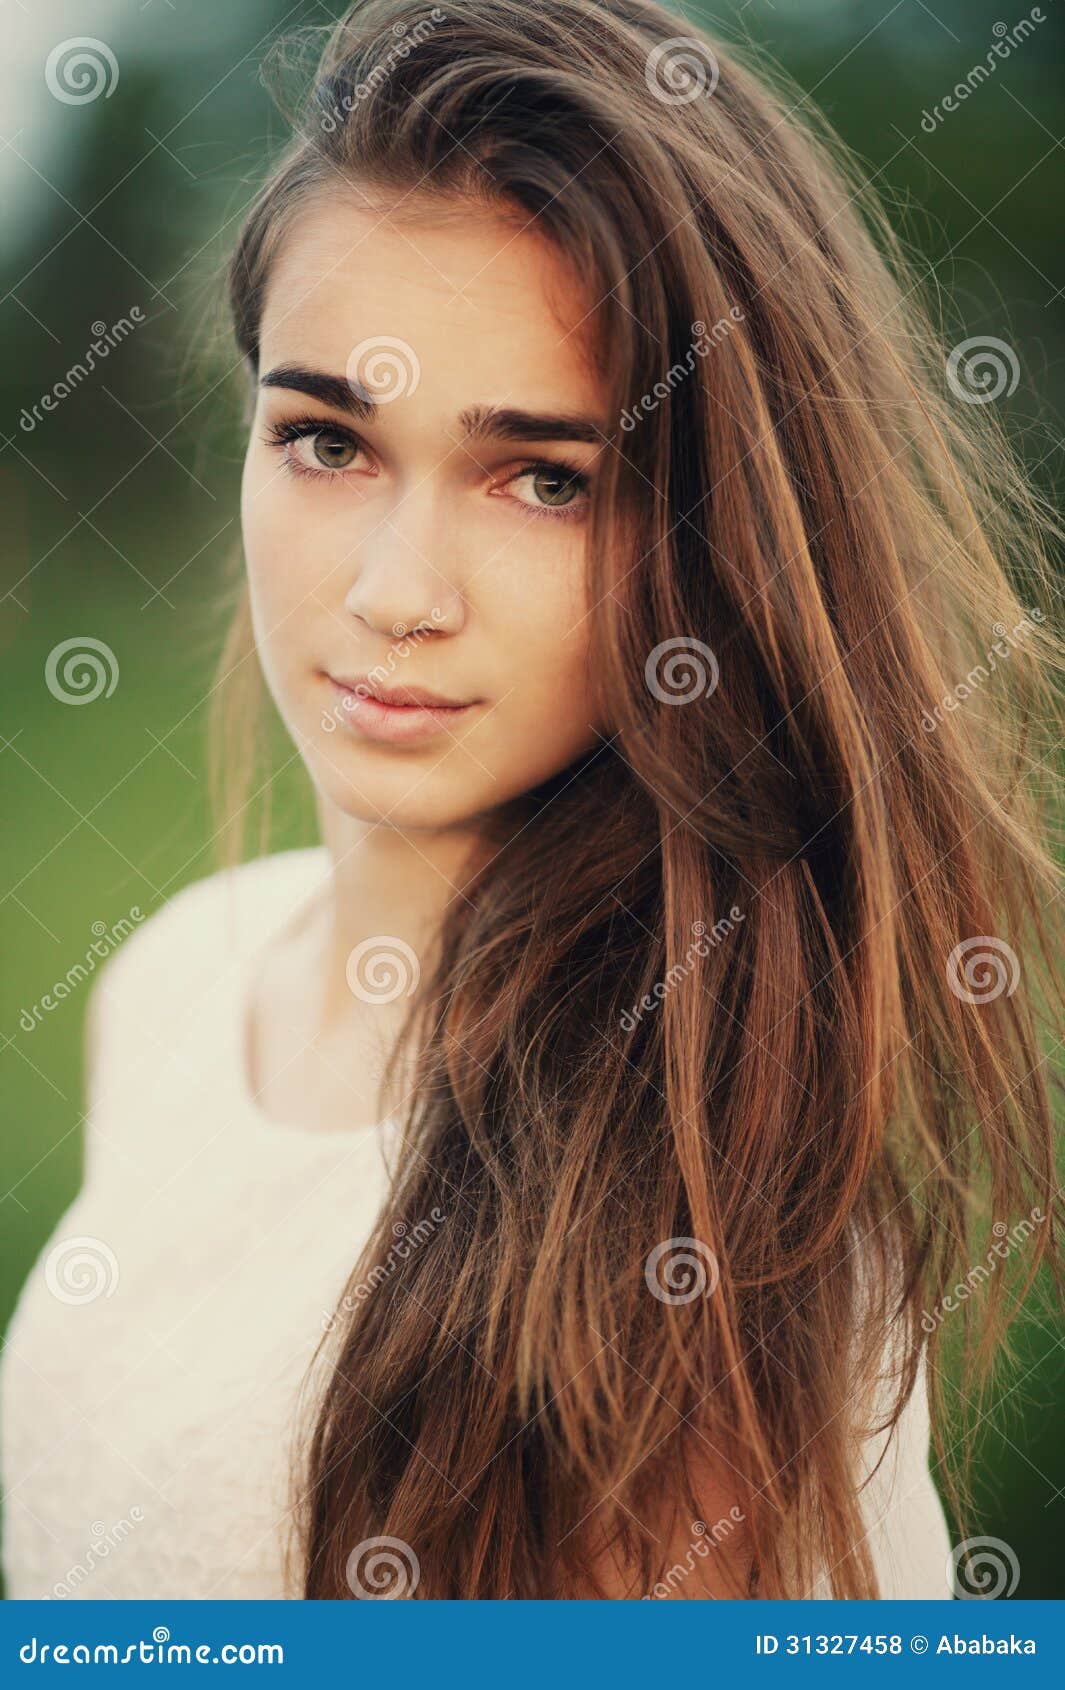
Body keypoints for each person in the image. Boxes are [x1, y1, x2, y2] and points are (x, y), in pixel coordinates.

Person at [2, 0, 1061, 1601]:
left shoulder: (703, 1207)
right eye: (325, 440)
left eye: (542, 477)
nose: (394, 592)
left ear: (712, 539)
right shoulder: (168, 982)